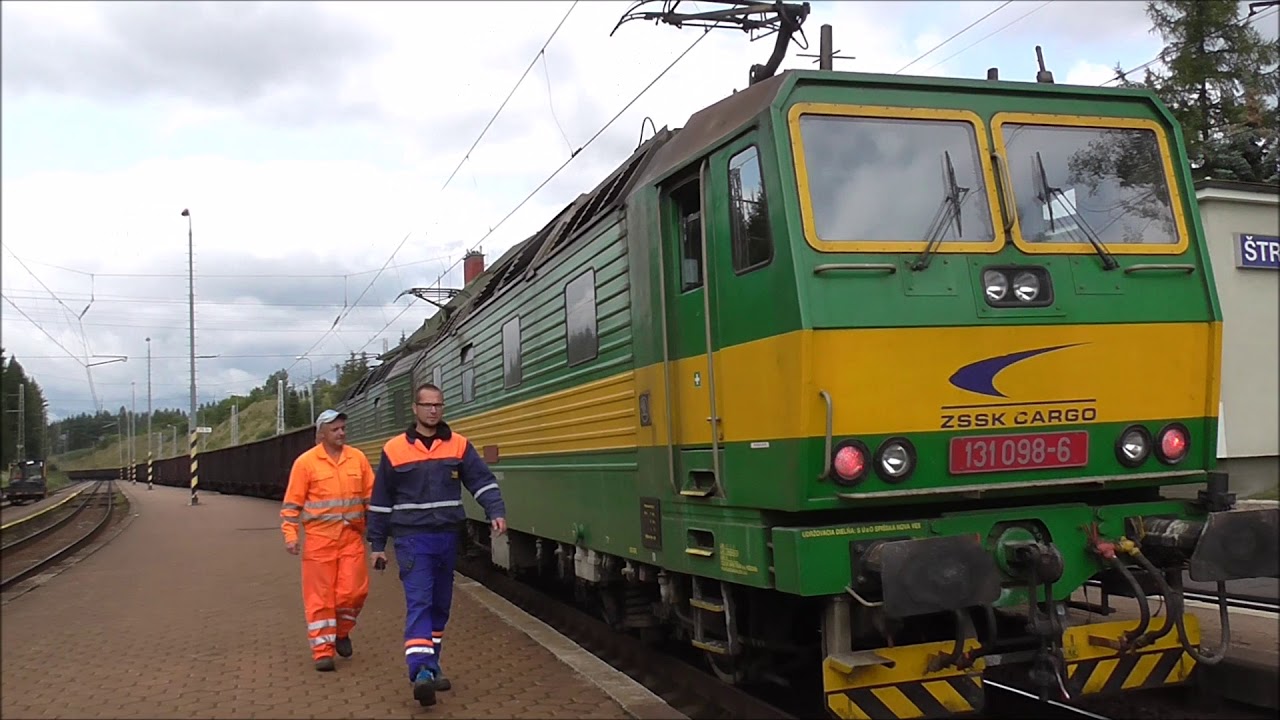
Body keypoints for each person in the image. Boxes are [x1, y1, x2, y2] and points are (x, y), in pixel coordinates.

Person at [367, 382, 507, 707]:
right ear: (415, 409)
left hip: (446, 538)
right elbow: (381, 500)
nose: (433, 410)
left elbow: (481, 481)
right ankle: (420, 672)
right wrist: (377, 544)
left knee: (440, 607)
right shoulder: (394, 450)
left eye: (438, 405)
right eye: (427, 405)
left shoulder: (458, 446)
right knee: (420, 602)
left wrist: (496, 511)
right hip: (411, 539)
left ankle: (432, 663)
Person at [280, 409, 376, 672]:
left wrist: (379, 527)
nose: (341, 433)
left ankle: (341, 631)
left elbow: (371, 497)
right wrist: (290, 535)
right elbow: (292, 504)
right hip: (319, 541)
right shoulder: (306, 463)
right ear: (321, 433)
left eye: (343, 428)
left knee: (354, 592)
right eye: (335, 429)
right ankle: (323, 651)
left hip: (351, 538)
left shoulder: (357, 459)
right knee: (320, 599)